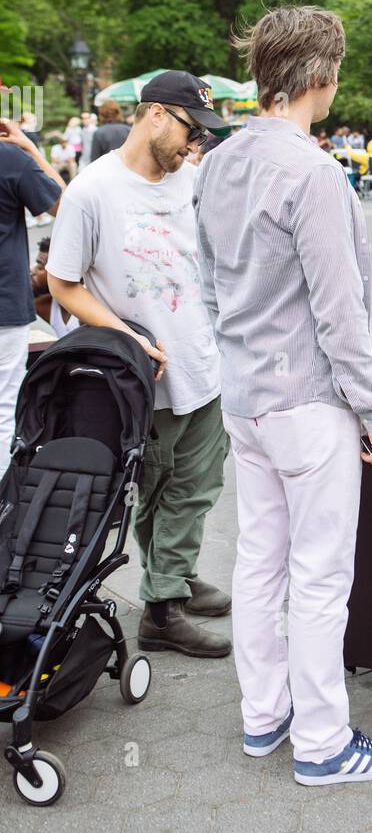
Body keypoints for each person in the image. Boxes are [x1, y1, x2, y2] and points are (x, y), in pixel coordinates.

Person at [194, 5, 372, 784]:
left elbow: (213, 289)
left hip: (247, 396)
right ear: (320, 79)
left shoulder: (217, 162)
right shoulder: (315, 173)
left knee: (259, 561)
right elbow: (341, 311)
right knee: (319, 575)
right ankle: (322, 743)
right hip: (308, 401)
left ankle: (265, 717)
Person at [47, 71, 233, 658]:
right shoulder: (91, 192)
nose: (195, 144)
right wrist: (126, 335)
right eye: (189, 130)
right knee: (158, 489)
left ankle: (169, 584)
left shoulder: (192, 179)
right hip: (142, 376)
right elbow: (62, 283)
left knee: (196, 487)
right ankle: (162, 607)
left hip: (205, 365)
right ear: (154, 114)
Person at [0, 119, 65, 477]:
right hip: (4, 307)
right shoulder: (10, 159)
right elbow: (67, 206)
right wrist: (30, 150)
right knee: (2, 411)